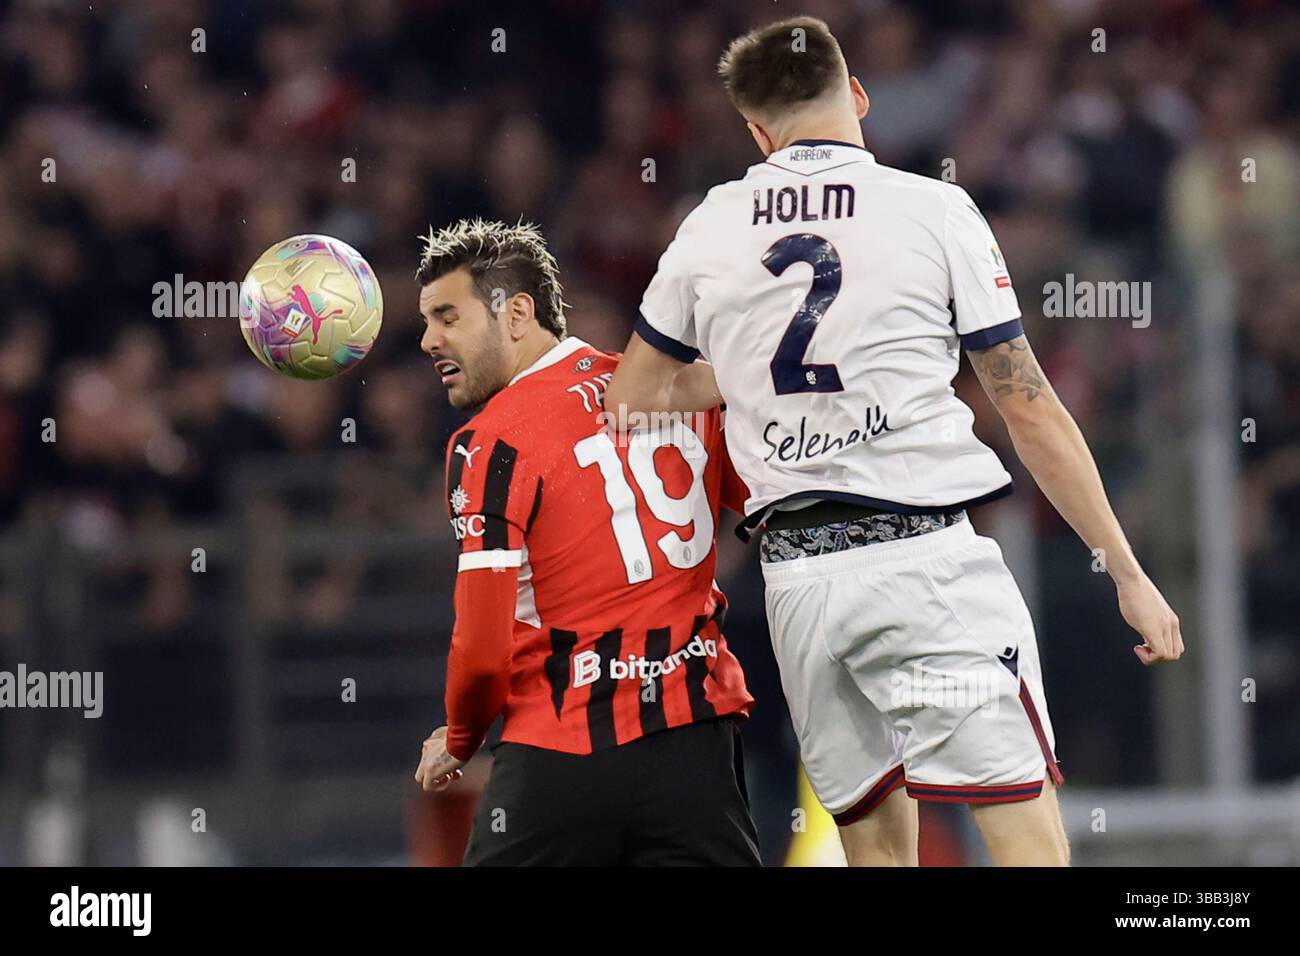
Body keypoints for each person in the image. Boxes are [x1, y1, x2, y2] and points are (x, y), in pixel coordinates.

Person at [605, 16, 1183, 867]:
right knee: (1025, 837)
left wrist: (751, 368)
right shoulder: (935, 208)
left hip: (798, 585)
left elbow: (635, 397)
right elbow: (1027, 407)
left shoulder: (710, 224)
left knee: (874, 854)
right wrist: (1128, 574)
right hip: (924, 569)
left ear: (758, 133)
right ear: (859, 98)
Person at [411, 218, 760, 866]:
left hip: (559, 754)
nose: (430, 339)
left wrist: (460, 739)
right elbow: (771, 512)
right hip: (696, 750)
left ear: (517, 313)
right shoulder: (676, 391)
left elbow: (483, 652)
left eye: (448, 316)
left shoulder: (490, 443)